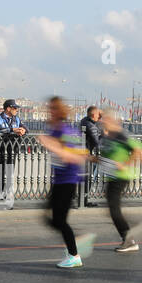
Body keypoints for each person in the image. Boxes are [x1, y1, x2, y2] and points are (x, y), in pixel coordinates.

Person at [37, 96, 95, 268]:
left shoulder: (64, 132)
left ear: (58, 112)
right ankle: (75, 243)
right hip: (60, 181)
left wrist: (49, 144)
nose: (49, 111)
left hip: (68, 181)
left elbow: (71, 157)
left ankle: (74, 254)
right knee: (50, 219)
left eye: (52, 109)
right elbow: (83, 153)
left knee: (59, 221)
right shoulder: (60, 131)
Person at [96, 112, 142, 251]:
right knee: (112, 209)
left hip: (121, 176)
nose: (102, 122)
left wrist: (126, 164)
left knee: (113, 209)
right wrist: (90, 158)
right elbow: (105, 156)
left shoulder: (121, 135)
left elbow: (141, 151)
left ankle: (130, 240)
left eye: (105, 119)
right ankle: (131, 233)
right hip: (110, 175)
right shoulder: (106, 137)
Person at [0, 99, 25, 208]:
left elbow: (24, 127)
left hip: (12, 150)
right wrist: (13, 130)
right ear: (8, 108)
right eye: (15, 108)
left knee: (9, 175)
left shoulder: (17, 119)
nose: (17, 110)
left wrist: (23, 130)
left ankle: (6, 199)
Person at [79, 106, 104, 205]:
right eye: (98, 114)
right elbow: (97, 141)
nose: (100, 116)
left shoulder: (85, 121)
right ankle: (85, 200)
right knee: (88, 177)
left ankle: (84, 199)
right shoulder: (90, 125)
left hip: (84, 152)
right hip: (87, 154)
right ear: (94, 115)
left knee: (86, 177)